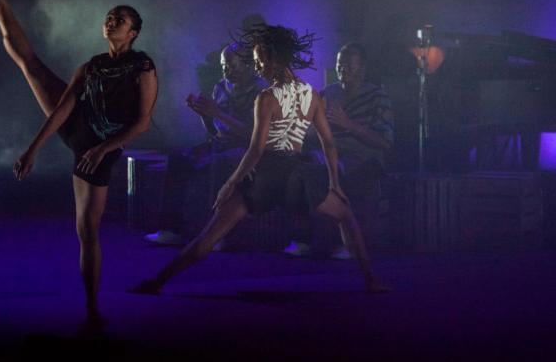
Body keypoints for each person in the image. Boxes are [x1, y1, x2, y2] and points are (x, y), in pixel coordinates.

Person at [129, 25, 388, 294]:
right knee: (345, 215)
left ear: (272, 58)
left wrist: (230, 183)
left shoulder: (266, 98)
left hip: (266, 176)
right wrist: (334, 183)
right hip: (297, 178)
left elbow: (255, 149)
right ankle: (372, 281)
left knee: (210, 235)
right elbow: (328, 142)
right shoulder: (311, 94)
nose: (257, 67)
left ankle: (158, 282)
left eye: (259, 60)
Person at [0, 0, 158, 326]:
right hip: (77, 128)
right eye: (109, 17)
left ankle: (92, 309)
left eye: (119, 19)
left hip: (100, 149)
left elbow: (142, 123)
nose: (111, 21)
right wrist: (32, 150)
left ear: (133, 33)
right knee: (30, 64)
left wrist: (102, 149)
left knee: (87, 232)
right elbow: (61, 110)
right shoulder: (91, 66)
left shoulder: (143, 66)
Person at [144, 42, 266, 245]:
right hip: (221, 143)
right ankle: (170, 229)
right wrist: (204, 114)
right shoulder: (221, 87)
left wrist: (217, 113)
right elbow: (214, 131)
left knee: (223, 162)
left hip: (247, 148)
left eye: (232, 66)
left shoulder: (262, 92)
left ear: (248, 65)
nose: (226, 71)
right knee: (178, 158)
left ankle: (221, 234)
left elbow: (253, 133)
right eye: (224, 66)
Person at [283, 42, 394, 259]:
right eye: (340, 65)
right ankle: (305, 239)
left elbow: (385, 142)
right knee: (295, 169)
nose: (343, 70)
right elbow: (314, 131)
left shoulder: (377, 97)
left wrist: (349, 125)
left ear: (362, 68)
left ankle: (348, 243)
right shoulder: (329, 93)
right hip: (330, 154)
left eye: (350, 65)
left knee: (334, 173)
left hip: (363, 158)